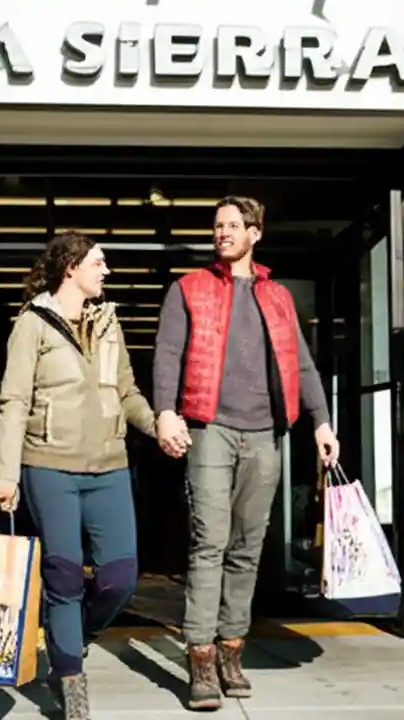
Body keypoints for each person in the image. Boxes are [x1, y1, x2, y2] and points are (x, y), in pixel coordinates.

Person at [152, 195, 340, 711]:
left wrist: (321, 422)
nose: (223, 232)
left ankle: (232, 646)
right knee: (209, 541)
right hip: (210, 428)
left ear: (256, 233)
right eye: (218, 225)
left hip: (265, 434)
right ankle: (201, 656)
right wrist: (165, 412)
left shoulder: (277, 296)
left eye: (233, 225)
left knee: (247, 545)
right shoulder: (188, 289)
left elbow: (301, 364)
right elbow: (168, 352)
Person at [0, 232, 189, 720]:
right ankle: (70, 683)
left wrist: (157, 423)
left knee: (120, 578)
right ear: (71, 267)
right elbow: (13, 402)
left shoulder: (108, 324)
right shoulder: (31, 325)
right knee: (62, 575)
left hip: (108, 467)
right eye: (98, 263)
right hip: (48, 465)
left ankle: (71, 635)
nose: (106, 271)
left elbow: (126, 391)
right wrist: (6, 474)